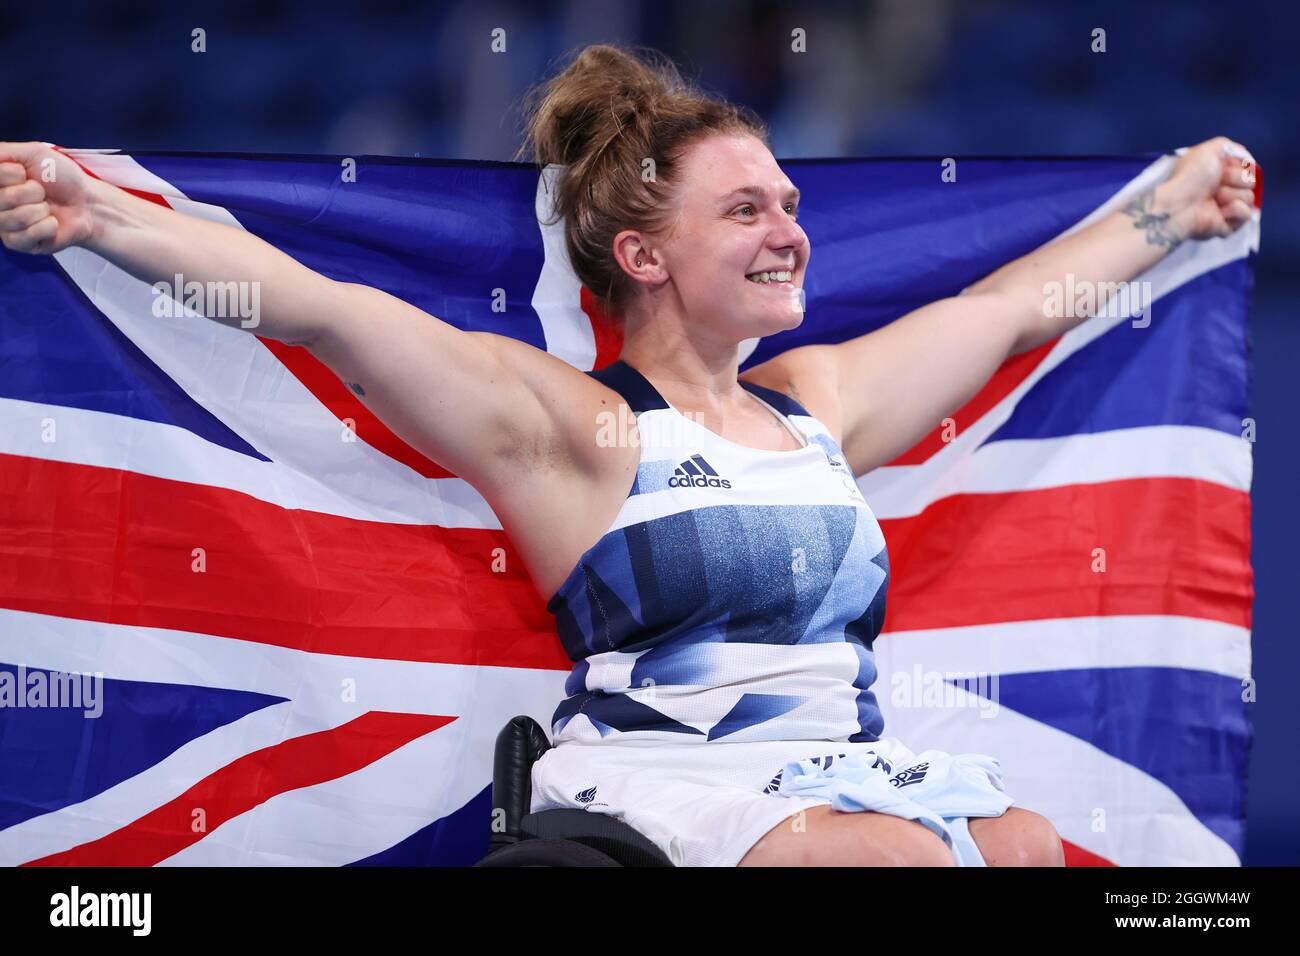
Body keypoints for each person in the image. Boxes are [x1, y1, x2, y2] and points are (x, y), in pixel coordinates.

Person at [0, 43, 1254, 867]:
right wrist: (96, 217)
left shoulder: (821, 401)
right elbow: (318, 304)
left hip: (851, 775)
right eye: (747, 209)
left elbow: (1013, 308)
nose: (790, 231)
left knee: (1031, 842)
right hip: (663, 789)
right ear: (645, 257)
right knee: (897, 861)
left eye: (792, 204)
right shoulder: (573, 428)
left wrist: (1174, 209)